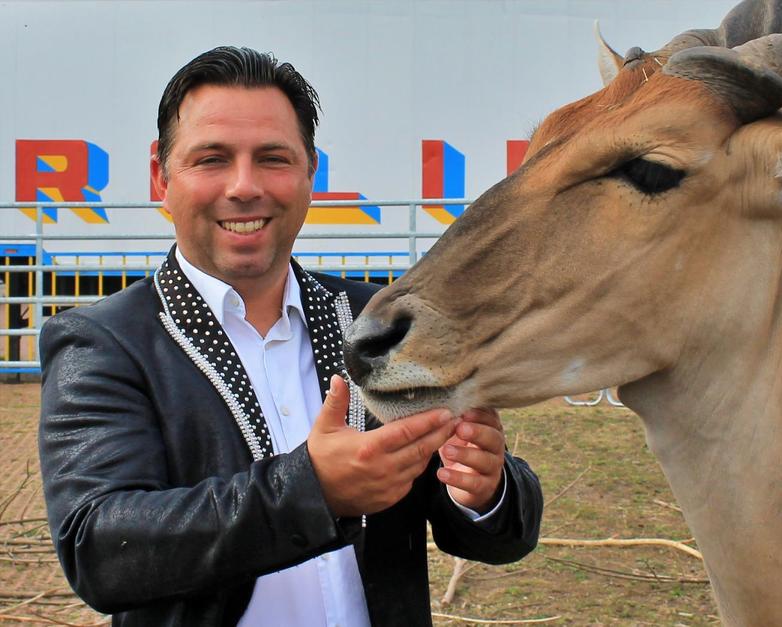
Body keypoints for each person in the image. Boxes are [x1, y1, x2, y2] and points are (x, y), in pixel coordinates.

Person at [38, 46, 543, 626]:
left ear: (311, 172)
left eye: (273, 158)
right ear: (162, 176)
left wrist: (484, 487)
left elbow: (502, 536)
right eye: (212, 159)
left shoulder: (373, 318)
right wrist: (311, 491)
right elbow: (99, 549)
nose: (245, 186)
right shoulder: (104, 341)